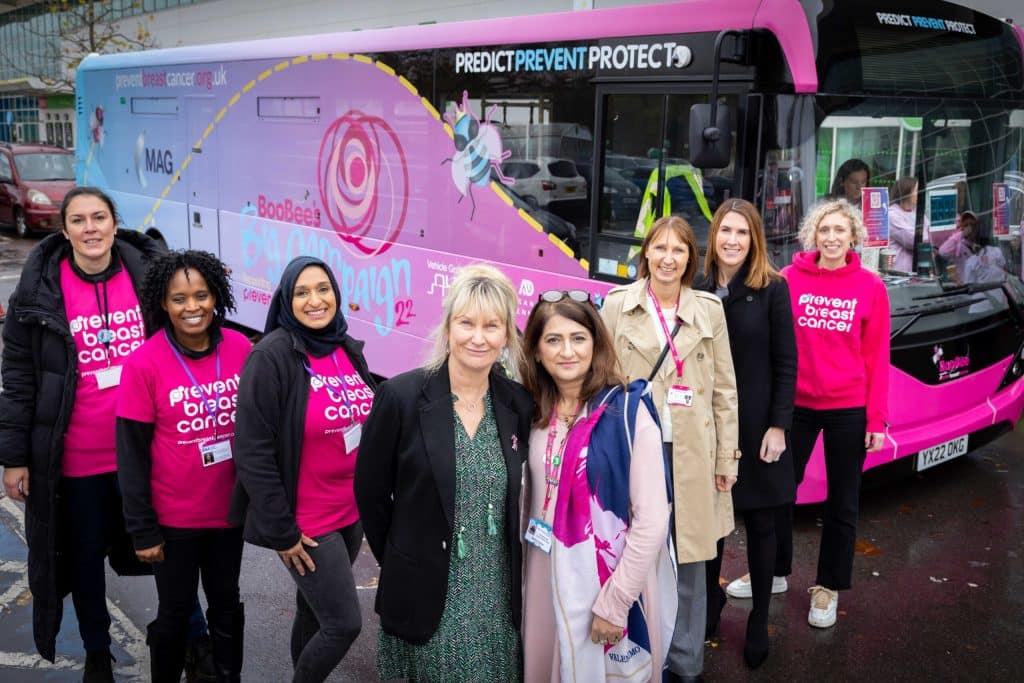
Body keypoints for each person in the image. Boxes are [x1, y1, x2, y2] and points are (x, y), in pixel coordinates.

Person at [0, 187, 175, 682]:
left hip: (147, 451)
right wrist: (14, 457)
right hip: (78, 457)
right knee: (83, 559)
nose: (90, 228)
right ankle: (97, 650)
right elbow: (18, 378)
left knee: (169, 547)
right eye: (78, 220)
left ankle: (188, 631)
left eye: (99, 217)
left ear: (115, 223)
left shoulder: (149, 277)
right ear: (65, 230)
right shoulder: (37, 292)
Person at [354, 264, 533, 682]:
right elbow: (370, 492)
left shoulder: (518, 403)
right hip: (427, 593)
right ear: (448, 327)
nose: (478, 337)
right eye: (467, 323)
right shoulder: (400, 397)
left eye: (492, 326)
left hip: (496, 598)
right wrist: (404, 558)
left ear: (506, 335)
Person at [600, 216, 739, 683]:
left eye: (678, 250)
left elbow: (725, 390)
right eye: (659, 248)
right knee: (631, 551)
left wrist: (727, 458)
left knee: (692, 560)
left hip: (693, 451)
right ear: (646, 254)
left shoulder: (708, 310)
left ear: (690, 259)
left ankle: (685, 664)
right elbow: (600, 381)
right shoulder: (618, 305)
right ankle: (634, 656)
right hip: (636, 448)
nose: (668, 258)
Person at [230, 256, 377, 683]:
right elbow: (253, 451)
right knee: (343, 624)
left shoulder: (345, 347)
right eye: (302, 292)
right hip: (308, 523)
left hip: (350, 513)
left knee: (313, 612)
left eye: (323, 289)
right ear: (286, 300)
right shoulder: (271, 356)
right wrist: (282, 531)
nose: (316, 300)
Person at [519, 291, 675, 682]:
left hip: (606, 584)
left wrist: (615, 603)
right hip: (543, 579)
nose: (567, 351)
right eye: (553, 340)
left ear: (596, 343)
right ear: (536, 350)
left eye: (578, 338)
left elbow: (653, 521)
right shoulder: (531, 412)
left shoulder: (628, 414)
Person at [116, 250, 251, 682]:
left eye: (201, 295)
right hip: (173, 522)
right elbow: (131, 455)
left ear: (216, 296)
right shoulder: (143, 363)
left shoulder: (241, 348)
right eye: (179, 299)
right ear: (163, 303)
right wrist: (142, 530)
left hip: (229, 516)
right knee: (174, 613)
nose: (192, 307)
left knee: (227, 605)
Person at [695, 199, 797, 668]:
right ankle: (710, 604)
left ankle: (759, 616)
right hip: (709, 424)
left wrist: (779, 425)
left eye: (742, 232)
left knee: (760, 523)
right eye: (725, 231)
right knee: (711, 524)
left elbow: (786, 362)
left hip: (758, 425)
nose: (732, 240)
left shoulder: (772, 288)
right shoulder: (697, 286)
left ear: (754, 239)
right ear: (713, 236)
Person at [780, 198, 890, 629]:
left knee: (843, 500)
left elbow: (877, 358)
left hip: (848, 407)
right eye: (824, 230)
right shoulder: (788, 279)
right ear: (813, 234)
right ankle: (773, 570)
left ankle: (827, 586)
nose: (831, 238)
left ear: (853, 237)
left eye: (839, 231)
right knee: (778, 491)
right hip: (796, 405)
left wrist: (876, 420)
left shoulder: (871, 287)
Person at [888, 177, 924, 274]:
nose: (921, 193)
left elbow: (931, 235)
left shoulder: (918, 213)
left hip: (918, 270)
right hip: (900, 272)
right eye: (917, 190)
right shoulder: (892, 214)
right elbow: (912, 240)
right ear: (906, 192)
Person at [938, 210, 980, 283]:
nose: (970, 228)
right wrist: (962, 234)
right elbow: (942, 252)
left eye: (972, 225)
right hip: (965, 286)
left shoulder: (982, 244)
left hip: (982, 286)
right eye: (966, 225)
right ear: (962, 227)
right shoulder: (958, 245)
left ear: (977, 227)